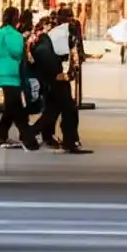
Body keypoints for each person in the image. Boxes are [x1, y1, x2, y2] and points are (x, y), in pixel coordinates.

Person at [30, 8, 89, 154]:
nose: (71, 19)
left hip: (51, 74)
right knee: (69, 109)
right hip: (57, 76)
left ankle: (31, 133)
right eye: (69, 16)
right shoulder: (66, 30)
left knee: (53, 110)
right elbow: (66, 55)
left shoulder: (55, 30)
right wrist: (67, 74)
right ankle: (70, 142)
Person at [0, 7, 39, 150]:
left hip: (1, 73)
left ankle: (1, 134)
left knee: (11, 106)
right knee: (16, 107)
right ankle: (27, 137)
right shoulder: (15, 35)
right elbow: (17, 52)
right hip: (12, 74)